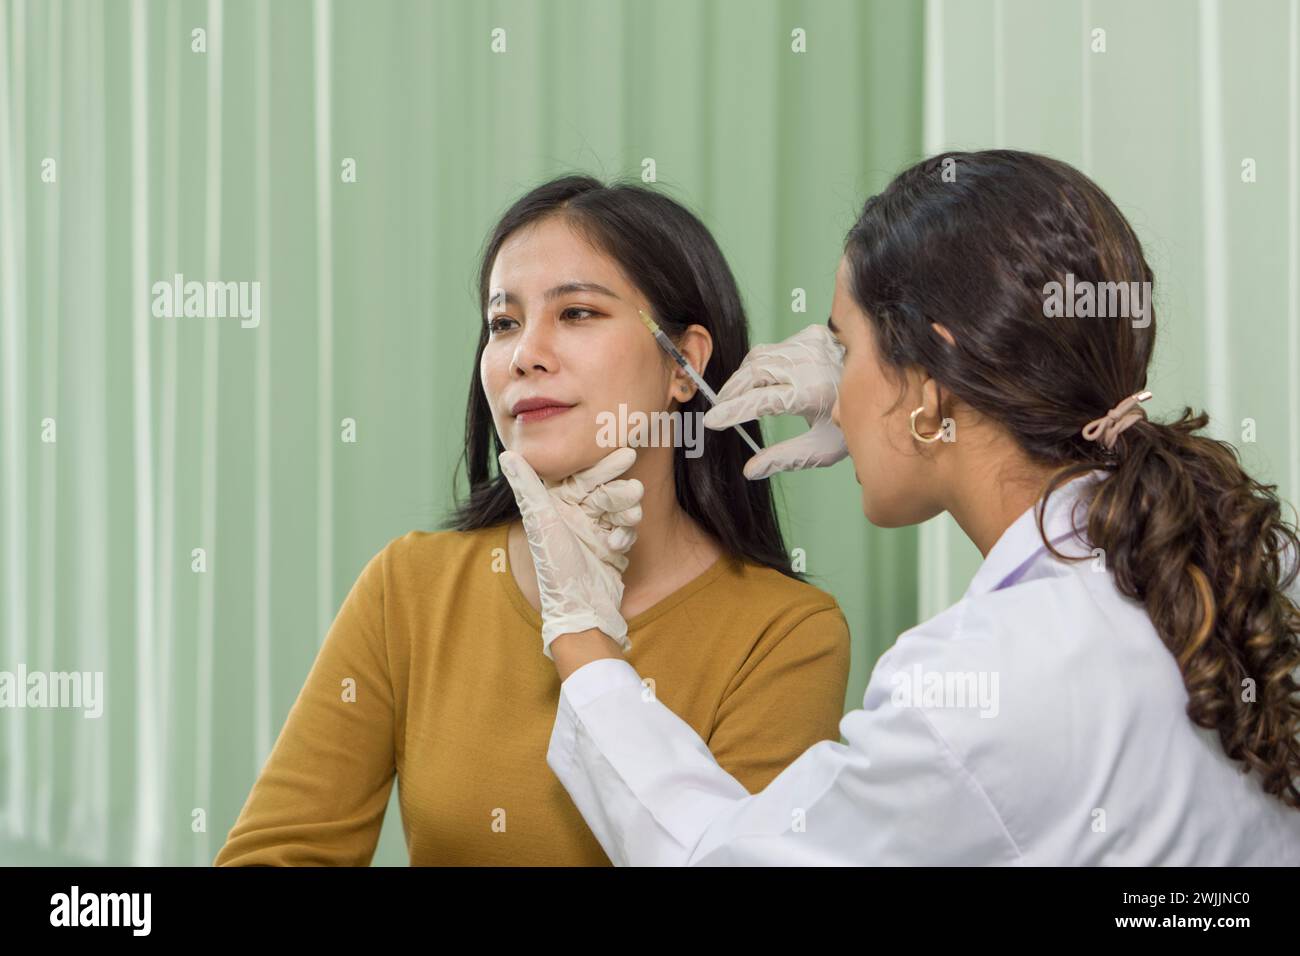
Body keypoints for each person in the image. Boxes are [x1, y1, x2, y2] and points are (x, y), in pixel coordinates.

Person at [501, 150, 1300, 865]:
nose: (834, 394)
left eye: (844, 350)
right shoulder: (1213, 565)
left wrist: (582, 639)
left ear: (926, 388)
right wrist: (897, 407)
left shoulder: (980, 685)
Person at [213, 175, 851, 866]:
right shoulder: (411, 585)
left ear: (683, 363)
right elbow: (274, 854)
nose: (525, 354)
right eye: (503, 323)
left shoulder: (787, 634)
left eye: (576, 313)